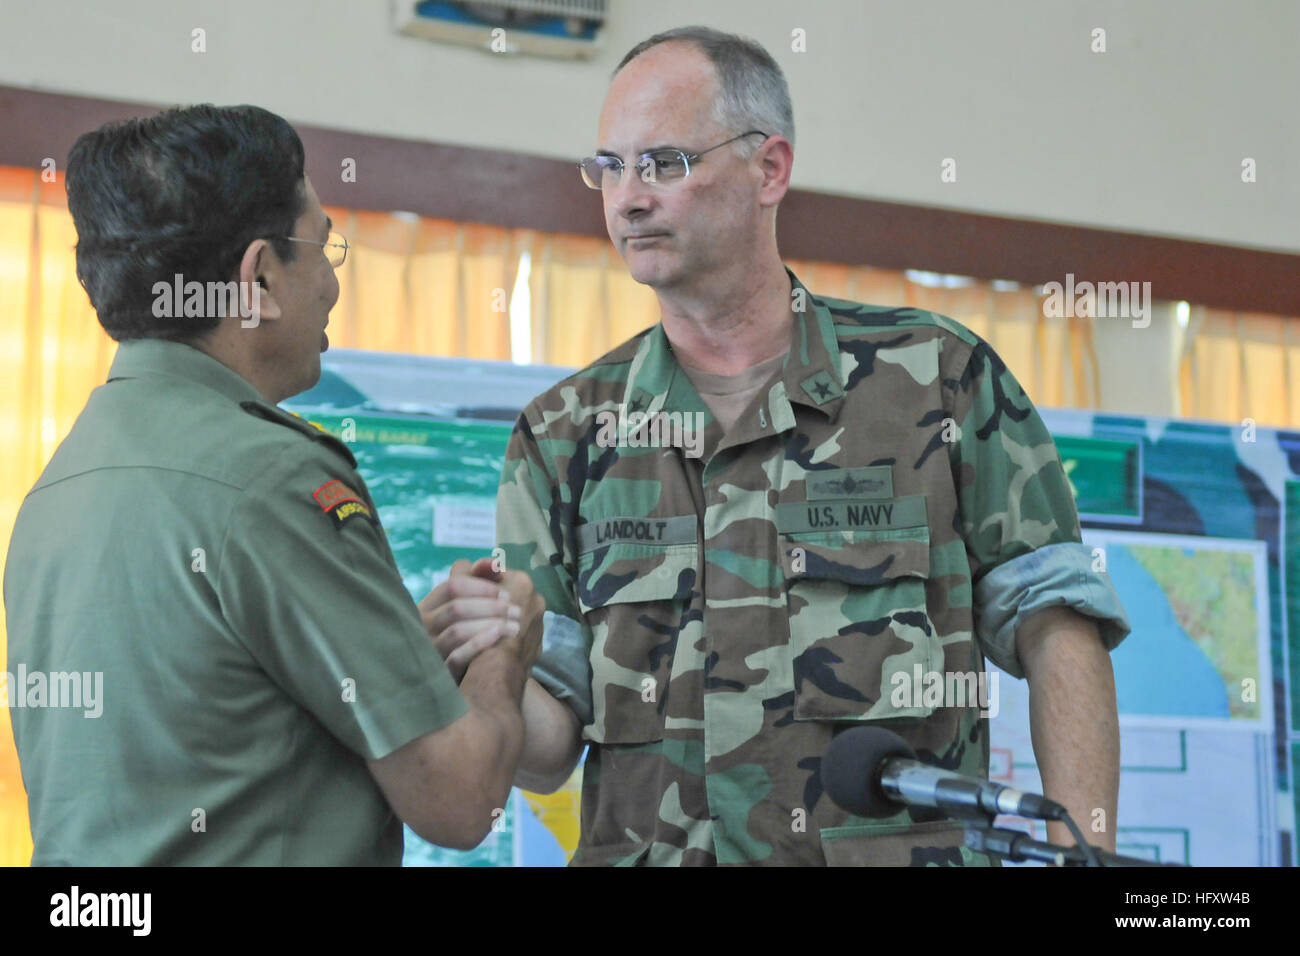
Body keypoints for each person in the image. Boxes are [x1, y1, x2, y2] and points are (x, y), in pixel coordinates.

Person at [490, 27, 1132, 865]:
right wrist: (479, 673)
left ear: (770, 169)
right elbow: (547, 748)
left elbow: (1058, 630)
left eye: (665, 164)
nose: (628, 197)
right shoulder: (564, 433)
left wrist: (1084, 854)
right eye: (610, 165)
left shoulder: (937, 379)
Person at [4, 104, 543, 865]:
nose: (328, 284)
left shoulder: (60, 485)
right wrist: (504, 652)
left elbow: (214, 722)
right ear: (258, 276)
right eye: (321, 248)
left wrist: (401, 655)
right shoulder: (274, 476)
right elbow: (459, 802)